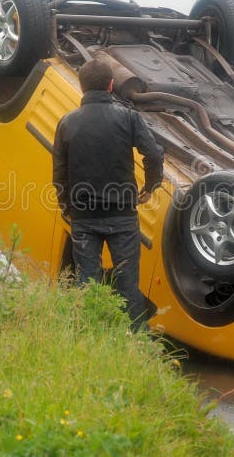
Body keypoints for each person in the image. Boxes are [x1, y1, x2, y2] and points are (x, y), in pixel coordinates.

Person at [52, 58, 164, 331]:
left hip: (84, 217)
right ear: (111, 85)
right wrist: (150, 187)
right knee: (127, 286)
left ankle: (87, 337)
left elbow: (59, 172)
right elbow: (153, 153)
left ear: (82, 87)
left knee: (87, 283)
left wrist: (67, 206)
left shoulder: (66, 123)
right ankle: (137, 344)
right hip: (122, 217)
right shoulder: (129, 117)